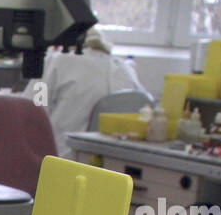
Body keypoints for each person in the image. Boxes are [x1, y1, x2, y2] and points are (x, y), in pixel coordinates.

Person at [29, 27, 150, 155]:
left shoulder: (57, 62)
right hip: (116, 161)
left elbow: (34, 109)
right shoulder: (125, 69)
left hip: (63, 157)